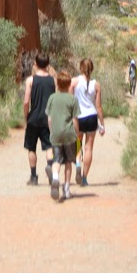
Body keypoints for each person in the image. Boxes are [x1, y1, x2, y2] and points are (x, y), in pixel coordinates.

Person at [23, 52, 56, 185]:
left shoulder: (31, 80)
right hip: (48, 118)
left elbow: (26, 102)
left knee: (31, 148)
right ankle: (49, 167)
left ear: (35, 64)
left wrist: (26, 117)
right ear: (48, 65)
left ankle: (33, 176)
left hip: (34, 118)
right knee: (49, 146)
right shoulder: (53, 81)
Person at [46, 71, 79, 201]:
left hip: (56, 134)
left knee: (57, 160)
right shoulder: (73, 99)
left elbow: (49, 119)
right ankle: (66, 189)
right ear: (69, 84)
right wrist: (76, 133)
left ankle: (55, 178)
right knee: (69, 162)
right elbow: (75, 119)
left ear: (57, 84)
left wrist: (52, 131)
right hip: (69, 134)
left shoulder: (52, 98)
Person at [73, 57, 105, 186]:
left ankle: (78, 163)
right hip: (91, 116)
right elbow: (98, 106)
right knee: (89, 148)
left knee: (78, 144)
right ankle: (84, 178)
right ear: (92, 69)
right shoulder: (96, 85)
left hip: (78, 116)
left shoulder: (74, 82)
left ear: (80, 68)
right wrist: (102, 124)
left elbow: (70, 100)